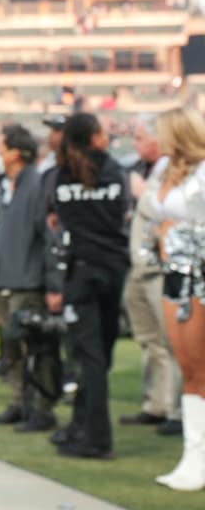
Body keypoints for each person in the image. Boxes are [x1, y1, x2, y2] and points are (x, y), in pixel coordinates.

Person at [51, 112, 129, 459]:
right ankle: (82, 425)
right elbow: (120, 213)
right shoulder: (113, 171)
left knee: (89, 357)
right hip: (113, 269)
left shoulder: (62, 174)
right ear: (95, 137)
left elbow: (59, 218)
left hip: (81, 270)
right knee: (101, 355)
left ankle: (96, 438)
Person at [0, 124, 61, 432]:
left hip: (29, 280)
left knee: (38, 348)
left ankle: (42, 408)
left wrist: (53, 284)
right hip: (5, 277)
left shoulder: (37, 185)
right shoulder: (4, 186)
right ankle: (19, 402)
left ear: (15, 153)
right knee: (11, 347)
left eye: (1, 147)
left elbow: (50, 237)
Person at [145, 108, 205, 489]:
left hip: (198, 275)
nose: (156, 139)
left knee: (200, 367)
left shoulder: (203, 172)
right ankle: (192, 455)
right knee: (187, 366)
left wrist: (175, 232)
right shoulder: (164, 170)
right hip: (173, 274)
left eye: (161, 131)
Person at [120, 114, 182, 435]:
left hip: (162, 267)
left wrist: (143, 193)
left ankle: (178, 410)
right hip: (140, 265)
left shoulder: (177, 169)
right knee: (149, 339)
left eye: (141, 138)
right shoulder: (146, 169)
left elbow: (169, 210)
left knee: (173, 341)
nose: (136, 144)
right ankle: (156, 403)